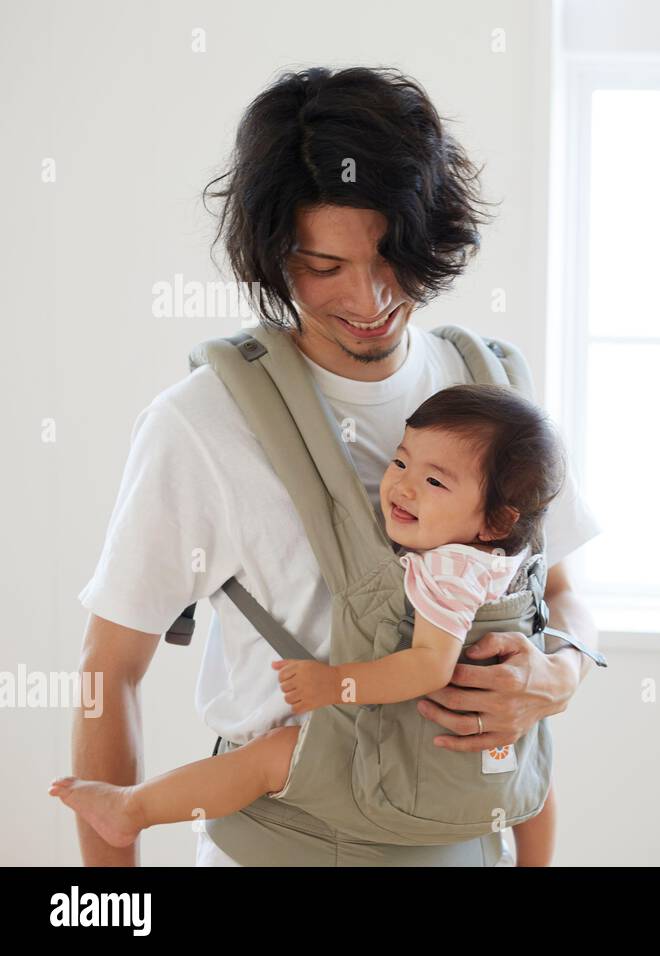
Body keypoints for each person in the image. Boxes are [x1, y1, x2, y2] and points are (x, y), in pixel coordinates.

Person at [72, 66, 603, 867]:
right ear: (274, 261)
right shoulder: (201, 423)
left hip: (466, 840)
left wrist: (560, 673)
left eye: (392, 256)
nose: (369, 297)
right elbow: (108, 673)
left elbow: (557, 594)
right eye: (324, 268)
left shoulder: (489, 392)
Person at [58, 384, 567, 866]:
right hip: (485, 771)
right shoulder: (511, 554)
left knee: (272, 756)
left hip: (407, 749)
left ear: (497, 519)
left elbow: (430, 665)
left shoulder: (449, 570)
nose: (403, 486)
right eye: (400, 461)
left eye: (434, 481)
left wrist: (334, 684)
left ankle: (135, 810)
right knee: (535, 778)